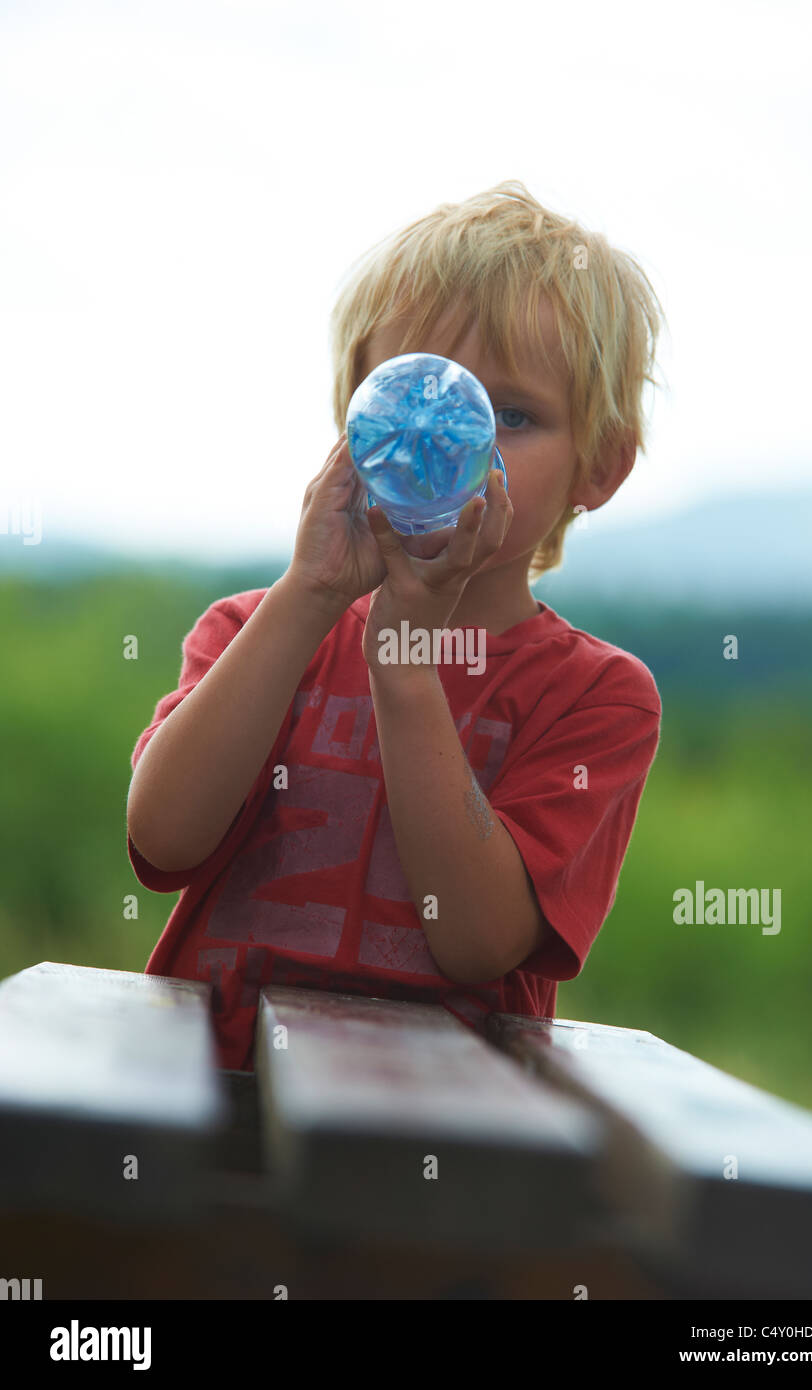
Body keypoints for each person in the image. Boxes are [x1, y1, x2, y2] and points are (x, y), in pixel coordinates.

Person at [126, 179, 666, 1072]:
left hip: (441, 1158)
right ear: (350, 420)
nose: (442, 446)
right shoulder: (253, 631)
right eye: (408, 398)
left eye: (511, 416)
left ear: (598, 466)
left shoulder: (597, 698)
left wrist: (406, 670)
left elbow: (476, 940)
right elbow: (162, 837)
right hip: (208, 1105)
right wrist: (307, 596)